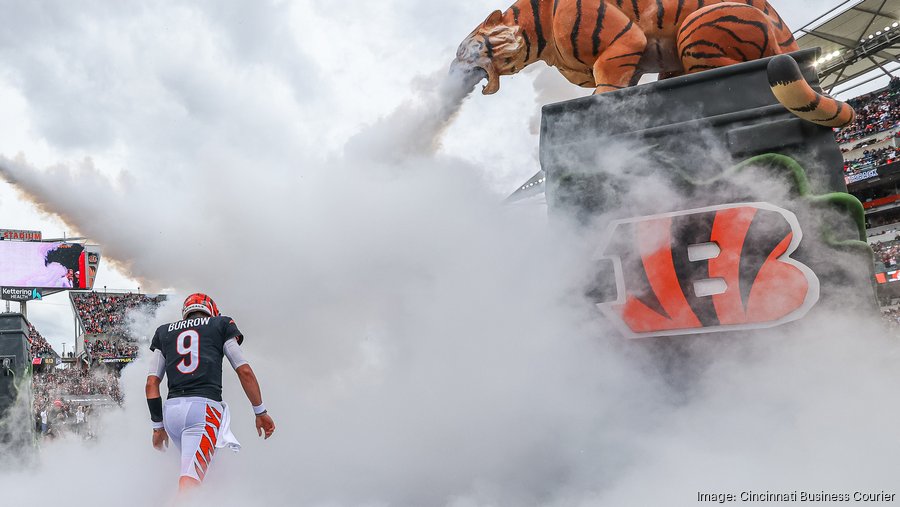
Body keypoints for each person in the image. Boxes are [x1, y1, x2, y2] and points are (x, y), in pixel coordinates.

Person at [145, 293, 275, 492]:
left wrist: (157, 427)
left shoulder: (164, 332)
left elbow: (151, 383)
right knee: (190, 483)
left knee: (207, 474)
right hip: (202, 411)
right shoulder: (220, 324)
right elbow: (244, 370)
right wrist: (260, 411)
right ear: (212, 312)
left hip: (171, 413)